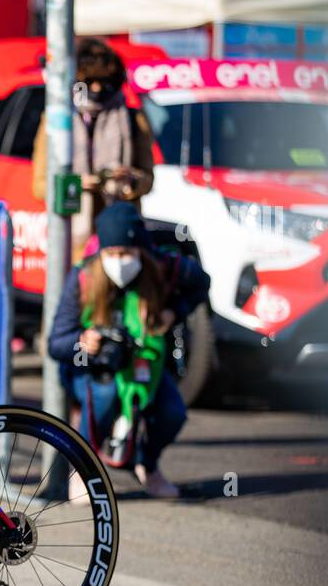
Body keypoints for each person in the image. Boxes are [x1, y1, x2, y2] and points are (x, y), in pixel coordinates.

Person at [47, 204, 209, 498]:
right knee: (104, 397)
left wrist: (174, 312)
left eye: (127, 254)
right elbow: (55, 343)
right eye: (112, 254)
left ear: (141, 251)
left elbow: (202, 284)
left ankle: (147, 466)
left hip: (144, 362)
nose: (119, 262)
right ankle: (83, 472)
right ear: (101, 253)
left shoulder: (162, 268)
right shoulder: (82, 278)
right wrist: (83, 342)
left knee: (173, 412)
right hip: (94, 366)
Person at [32, 38, 155, 259]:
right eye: (90, 82)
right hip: (74, 241)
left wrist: (130, 180)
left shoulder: (132, 119)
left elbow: (148, 180)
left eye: (105, 83)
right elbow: (40, 186)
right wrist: (77, 184)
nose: (98, 89)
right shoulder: (58, 122)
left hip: (121, 242)